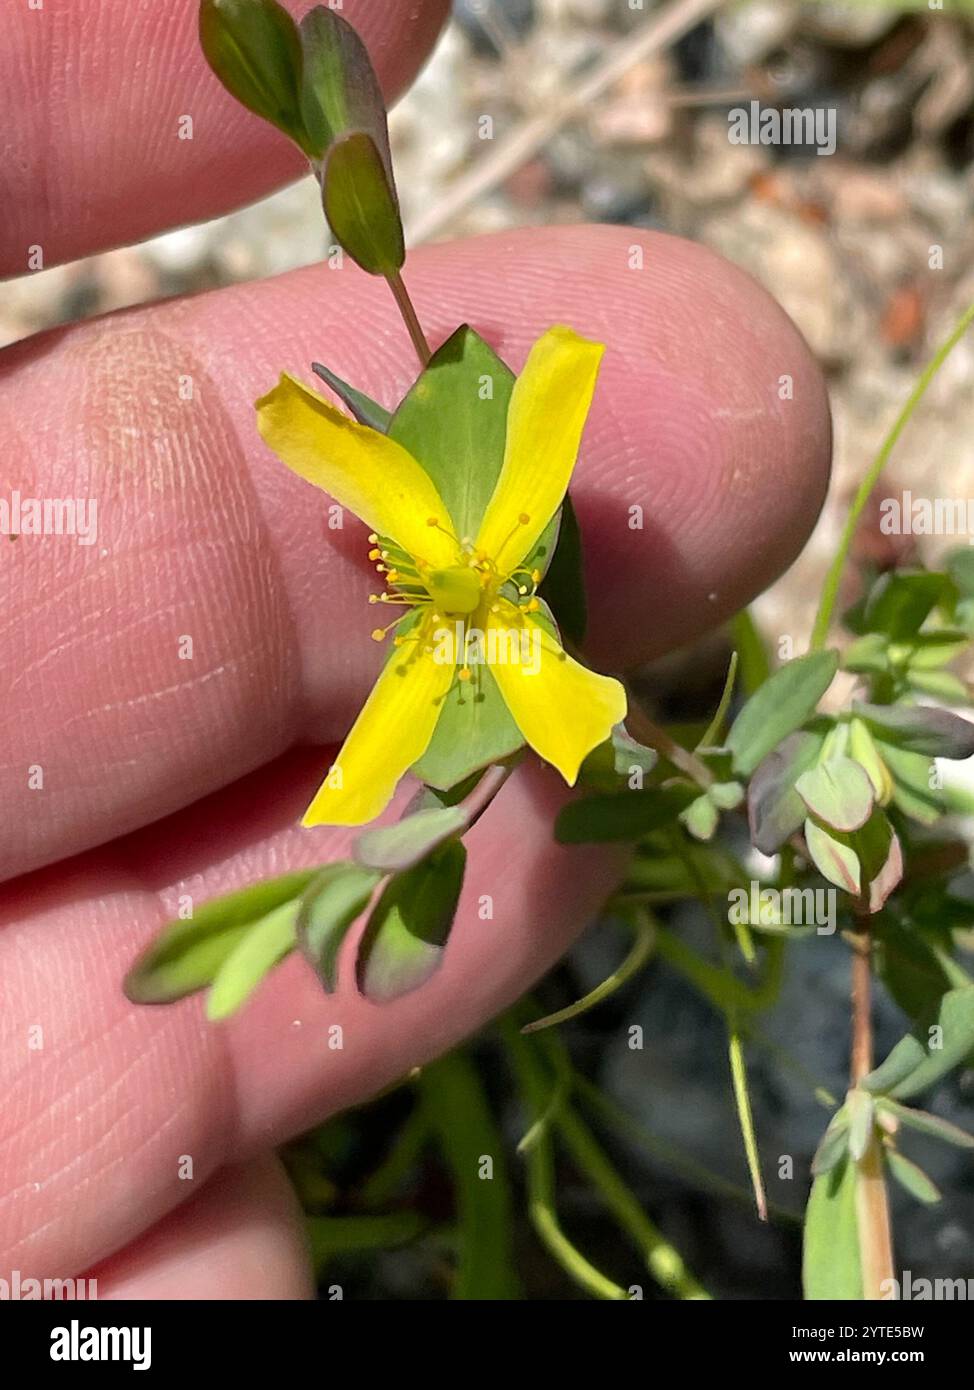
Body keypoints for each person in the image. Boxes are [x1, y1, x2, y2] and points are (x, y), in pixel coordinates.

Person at [0, 0, 830, 1298]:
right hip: (497, 636)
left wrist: (567, 697)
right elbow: (486, 687)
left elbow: (554, 387)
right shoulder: (435, 612)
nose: (419, 573)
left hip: (521, 620)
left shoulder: (486, 556)